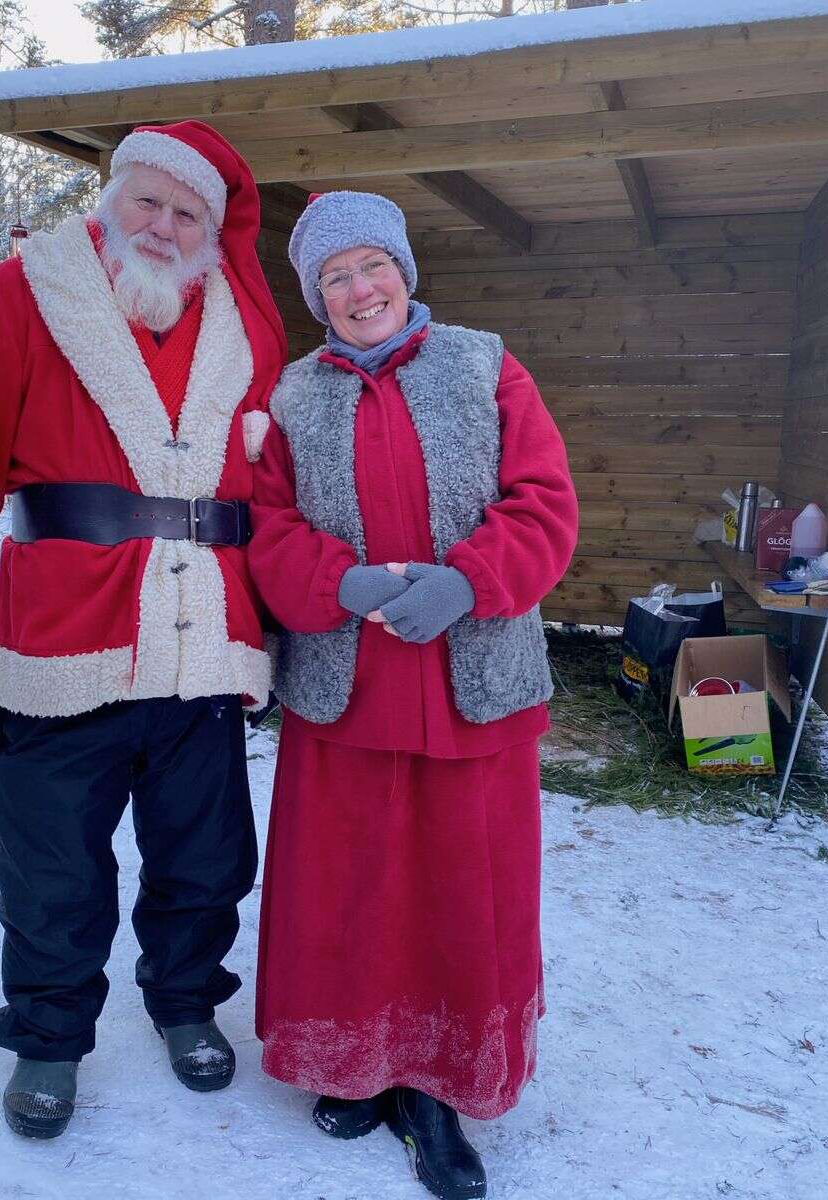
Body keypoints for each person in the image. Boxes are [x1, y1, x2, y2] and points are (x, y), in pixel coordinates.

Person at [0, 121, 286, 1139]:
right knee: (52, 866)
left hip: (203, 638)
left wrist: (293, 614)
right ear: (111, 200)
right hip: (64, 637)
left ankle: (186, 1001)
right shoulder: (17, 298)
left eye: (186, 212)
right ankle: (48, 1039)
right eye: (146, 200)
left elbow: (276, 490)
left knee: (206, 857)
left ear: (210, 231)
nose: (162, 224)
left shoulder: (245, 326)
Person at [248, 191, 578, 1200]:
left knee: (454, 887)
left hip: (471, 678)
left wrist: (469, 580)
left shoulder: (485, 364)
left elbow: (545, 501)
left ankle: (435, 1086)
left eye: (370, 267)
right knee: (349, 885)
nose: (358, 290)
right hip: (346, 685)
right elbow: (262, 522)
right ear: (316, 298)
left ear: (403, 270)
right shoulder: (294, 395)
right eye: (334, 278)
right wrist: (333, 581)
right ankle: (357, 1063)